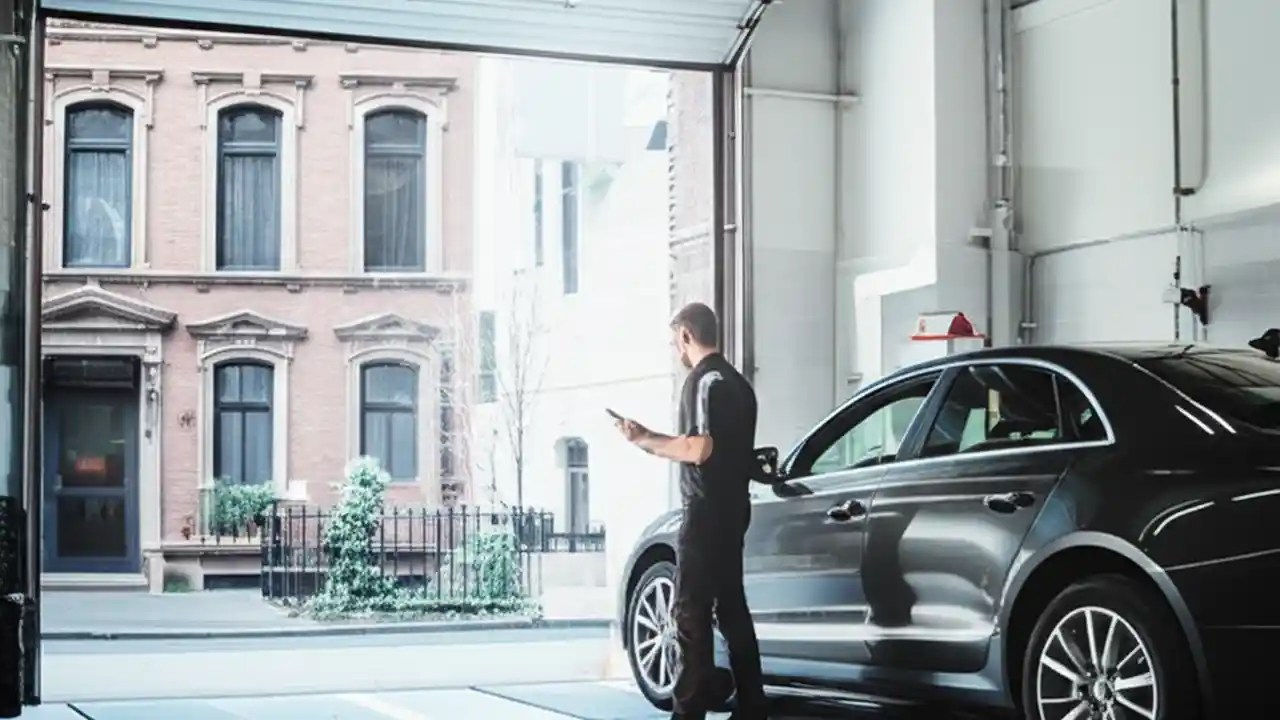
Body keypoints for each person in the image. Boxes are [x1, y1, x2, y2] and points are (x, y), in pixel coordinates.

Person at [613, 302, 768, 720]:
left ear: (685, 335)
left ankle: (688, 711)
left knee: (689, 612)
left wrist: (645, 439)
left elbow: (698, 447)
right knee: (732, 608)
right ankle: (752, 707)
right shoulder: (740, 385)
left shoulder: (704, 382)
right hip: (735, 509)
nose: (675, 352)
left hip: (704, 512)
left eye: (674, 342)